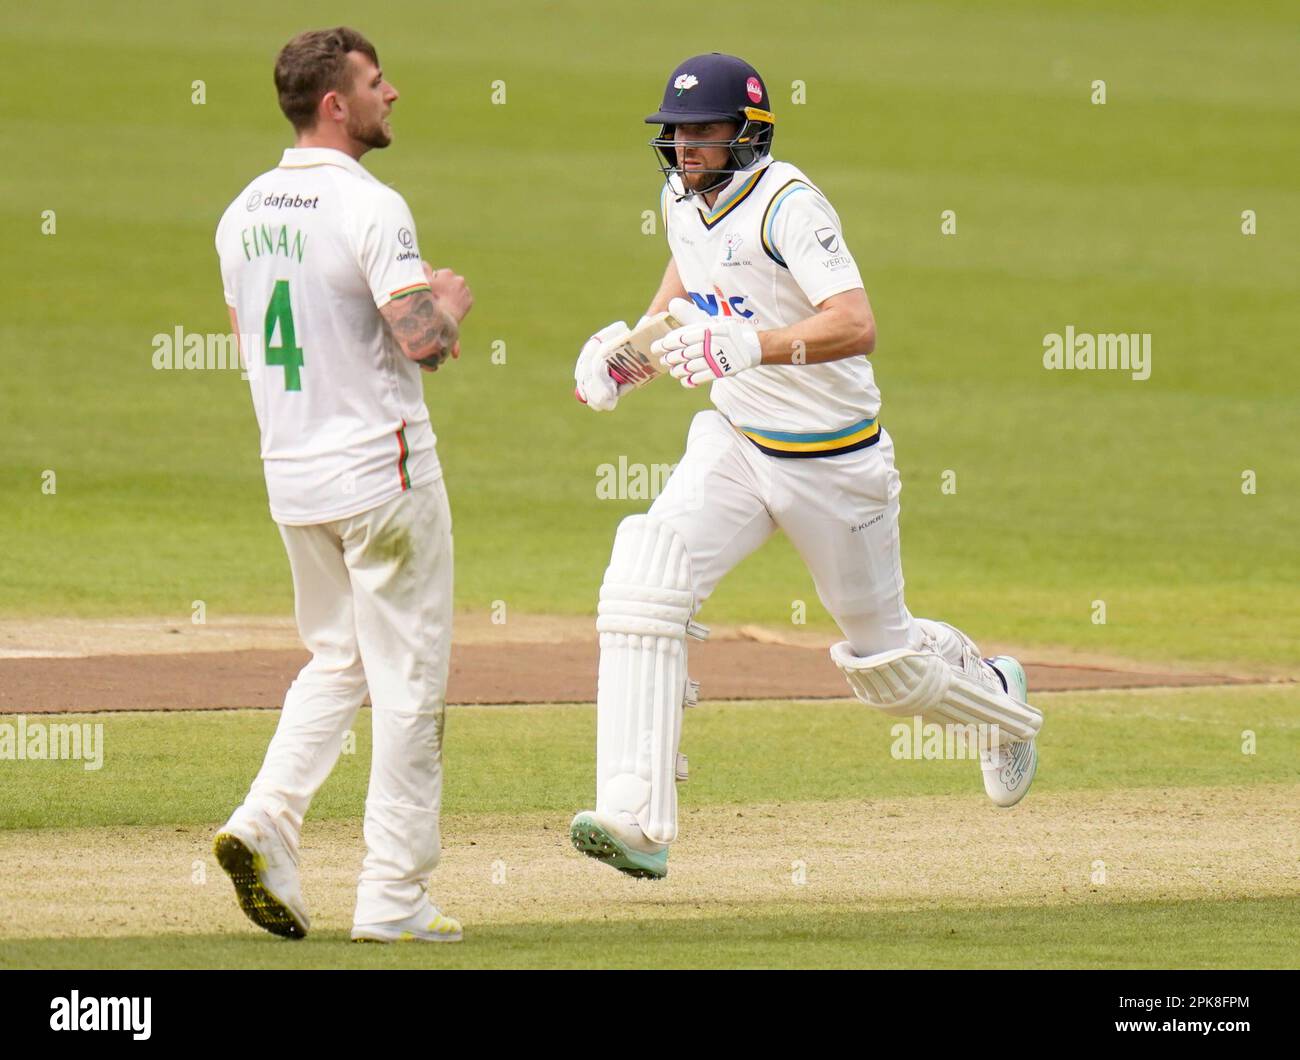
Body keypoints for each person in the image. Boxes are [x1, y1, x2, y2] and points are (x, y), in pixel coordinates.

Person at [570, 53, 1041, 879]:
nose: (686, 148)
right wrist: (631, 350)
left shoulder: (791, 204)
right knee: (644, 575)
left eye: (704, 132)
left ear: (749, 132)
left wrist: (751, 344)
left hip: (835, 463)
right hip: (737, 442)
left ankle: (999, 704)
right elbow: (694, 268)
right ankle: (637, 817)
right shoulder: (682, 197)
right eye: (676, 133)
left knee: (888, 668)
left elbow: (854, 324)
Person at [212, 26, 471, 941]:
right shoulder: (371, 205)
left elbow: (256, 334)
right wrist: (447, 301)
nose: (390, 93)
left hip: (294, 475)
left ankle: (266, 822)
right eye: (373, 82)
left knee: (339, 659)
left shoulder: (240, 212)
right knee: (410, 685)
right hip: (381, 472)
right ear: (335, 104)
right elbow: (423, 343)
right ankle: (394, 899)